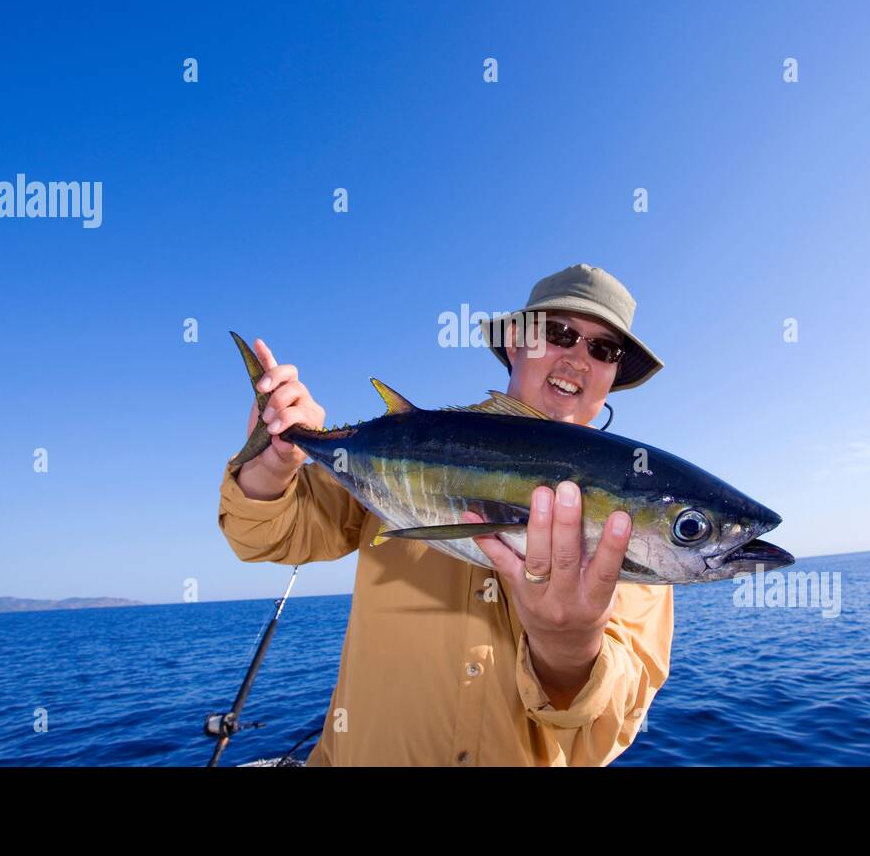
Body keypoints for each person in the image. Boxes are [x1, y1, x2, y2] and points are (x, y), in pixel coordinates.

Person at [217, 263, 673, 765]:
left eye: (603, 349)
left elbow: (606, 732)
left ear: (612, 374)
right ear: (517, 341)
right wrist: (273, 461)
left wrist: (568, 646)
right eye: (559, 333)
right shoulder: (416, 445)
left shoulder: (636, 525)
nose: (579, 359)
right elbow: (265, 538)